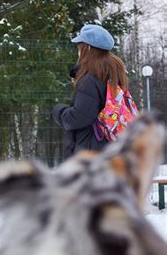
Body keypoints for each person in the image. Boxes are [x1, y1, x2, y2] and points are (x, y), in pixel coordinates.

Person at [52, 24, 128, 159]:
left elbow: (79, 117)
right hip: (108, 149)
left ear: (87, 48)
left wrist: (59, 111)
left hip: (89, 154)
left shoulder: (90, 80)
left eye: (79, 47)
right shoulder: (112, 75)